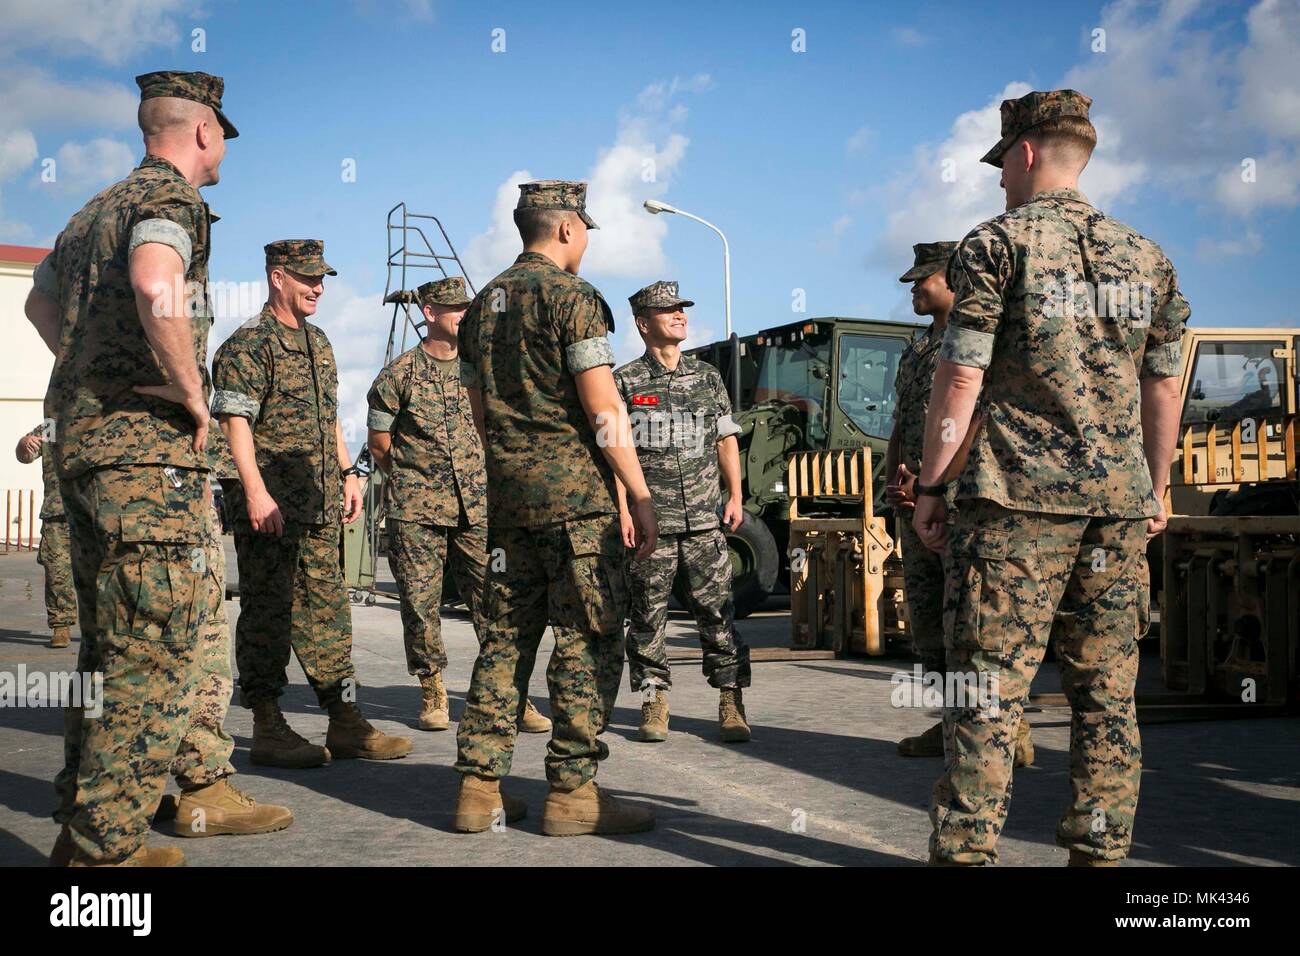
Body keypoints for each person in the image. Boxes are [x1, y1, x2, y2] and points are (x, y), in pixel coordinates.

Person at [911, 89, 1189, 866]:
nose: (1000, 179)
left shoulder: (998, 245)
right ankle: (1099, 857)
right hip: (1118, 511)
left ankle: (966, 854)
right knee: (1107, 698)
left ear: (1026, 153)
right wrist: (1155, 489)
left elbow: (962, 376)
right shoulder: (1149, 258)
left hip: (1014, 508)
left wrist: (932, 487)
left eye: (1002, 164)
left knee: (989, 694)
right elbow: (1163, 387)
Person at [28, 70, 235, 867]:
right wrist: (191, 394)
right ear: (202, 131)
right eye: (222, 136)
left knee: (105, 648)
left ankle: (82, 828)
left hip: (83, 453)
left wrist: (93, 378)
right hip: (143, 463)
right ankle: (103, 852)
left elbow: (38, 308)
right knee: (152, 650)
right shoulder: (170, 202)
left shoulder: (89, 213)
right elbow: (157, 283)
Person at [452, 180, 658, 837]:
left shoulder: (483, 307)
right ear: (568, 228)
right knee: (585, 641)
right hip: (576, 508)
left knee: (504, 642)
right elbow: (603, 410)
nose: (588, 240)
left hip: (510, 505)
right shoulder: (574, 300)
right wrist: (639, 494)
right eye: (587, 229)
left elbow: (480, 415)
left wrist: (515, 468)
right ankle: (572, 793)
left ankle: (478, 787)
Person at [212, 240, 412, 768]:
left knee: (328, 612)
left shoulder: (319, 341)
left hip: (319, 501)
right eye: (307, 278)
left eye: (322, 278)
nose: (318, 287)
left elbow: (329, 418)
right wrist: (254, 491)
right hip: (272, 506)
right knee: (268, 610)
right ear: (278, 278)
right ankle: (267, 725)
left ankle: (344, 721)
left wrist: (349, 473)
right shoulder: (248, 346)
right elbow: (235, 425)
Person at [366, 276, 551, 734]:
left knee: (496, 602)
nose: (464, 317)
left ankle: (511, 694)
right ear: (430, 313)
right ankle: (432, 690)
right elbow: (379, 443)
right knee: (420, 603)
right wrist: (414, 479)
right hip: (417, 510)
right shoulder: (398, 374)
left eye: (468, 310)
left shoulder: (484, 370)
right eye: (455, 310)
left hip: (479, 507)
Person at [885, 242, 1034, 767]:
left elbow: (979, 419)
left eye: (921, 279)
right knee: (927, 621)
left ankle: (1007, 729)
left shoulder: (978, 343)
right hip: (914, 500)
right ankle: (953, 721)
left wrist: (934, 478)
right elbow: (905, 418)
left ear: (951, 279)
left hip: (961, 500)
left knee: (973, 619)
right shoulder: (918, 348)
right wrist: (894, 476)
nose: (914, 289)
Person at [613, 280, 751, 743]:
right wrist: (624, 512)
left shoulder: (707, 376)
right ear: (643, 323)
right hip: (653, 525)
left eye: (681, 309)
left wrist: (735, 495)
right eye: (667, 310)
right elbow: (617, 450)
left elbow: (725, 438)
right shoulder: (625, 380)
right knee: (648, 617)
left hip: (704, 522)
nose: (679, 316)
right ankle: (654, 702)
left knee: (718, 613)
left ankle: (731, 699)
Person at [14, 424, 77, 648]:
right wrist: (24, 444)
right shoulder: (51, 426)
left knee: (103, 571)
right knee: (57, 569)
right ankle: (61, 626)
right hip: (57, 510)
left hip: (96, 511)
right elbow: (25, 455)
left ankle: (103, 629)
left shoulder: (107, 417)